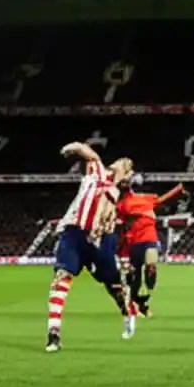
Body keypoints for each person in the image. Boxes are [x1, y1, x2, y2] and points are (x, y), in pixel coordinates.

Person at [45, 142, 136, 352]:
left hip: (102, 240)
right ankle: (53, 333)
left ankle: (126, 311)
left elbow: (107, 208)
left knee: (114, 286)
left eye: (124, 165)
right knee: (61, 276)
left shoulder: (116, 192)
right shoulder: (96, 171)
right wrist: (72, 148)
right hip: (74, 233)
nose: (118, 164)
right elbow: (88, 152)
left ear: (126, 176)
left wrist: (98, 227)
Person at [116, 175, 185, 316]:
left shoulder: (133, 202)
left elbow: (162, 200)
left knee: (149, 268)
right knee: (137, 275)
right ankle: (140, 302)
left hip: (146, 239)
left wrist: (177, 191)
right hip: (136, 241)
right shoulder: (127, 204)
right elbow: (161, 200)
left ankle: (144, 297)